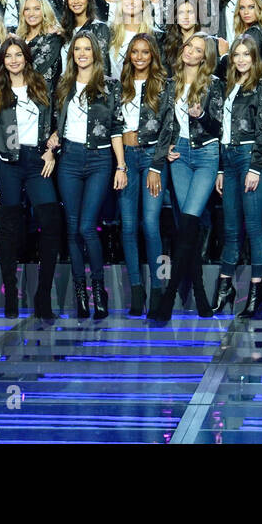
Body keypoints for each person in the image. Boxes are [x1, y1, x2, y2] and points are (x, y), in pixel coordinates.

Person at [51, 30, 127, 319]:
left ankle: (99, 289)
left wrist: (121, 165)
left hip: (99, 159)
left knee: (86, 227)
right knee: (72, 230)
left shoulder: (110, 86)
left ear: (95, 52)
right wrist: (53, 143)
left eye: (87, 49)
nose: (82, 53)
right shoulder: (64, 84)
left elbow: (117, 127)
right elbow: (58, 123)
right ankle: (80, 293)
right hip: (69, 159)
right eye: (77, 49)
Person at [0, 36, 62, 320]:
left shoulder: (41, 86)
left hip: (36, 162)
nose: (14, 60)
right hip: (8, 163)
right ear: (3, 61)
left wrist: (52, 151)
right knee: (8, 230)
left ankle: (43, 297)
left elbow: (56, 125)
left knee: (51, 222)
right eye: (9, 56)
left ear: (26, 58)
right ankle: (11, 295)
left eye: (19, 55)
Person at [148, 34, 221, 324]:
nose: (190, 51)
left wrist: (201, 114)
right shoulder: (170, 83)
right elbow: (164, 123)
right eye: (188, 46)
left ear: (205, 57)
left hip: (205, 155)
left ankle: (169, 298)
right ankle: (200, 294)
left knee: (189, 223)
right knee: (185, 229)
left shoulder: (213, 84)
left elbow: (218, 127)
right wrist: (164, 149)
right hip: (179, 156)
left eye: (198, 50)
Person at [213, 36, 262, 317]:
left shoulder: (261, 87)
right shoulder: (226, 86)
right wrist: (222, 169)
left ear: (254, 58)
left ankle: (256, 291)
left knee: (254, 228)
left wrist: (255, 167)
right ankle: (225, 289)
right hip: (229, 158)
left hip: (250, 158)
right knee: (230, 229)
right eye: (236, 54)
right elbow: (222, 130)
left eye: (246, 55)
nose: (240, 59)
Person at [116, 33, 171, 316]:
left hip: (151, 158)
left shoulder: (163, 86)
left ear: (153, 56)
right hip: (125, 158)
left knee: (150, 225)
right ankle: (136, 290)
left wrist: (155, 167)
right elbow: (114, 126)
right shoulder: (119, 86)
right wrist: (120, 164)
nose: (139, 57)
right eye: (135, 52)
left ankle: (159, 290)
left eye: (145, 52)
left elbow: (168, 128)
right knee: (127, 226)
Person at [59, 0, 112, 76]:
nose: (76, 1)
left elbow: (103, 67)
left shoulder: (99, 28)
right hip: (66, 87)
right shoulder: (64, 29)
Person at [108, 0, 156, 80]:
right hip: (113, 92)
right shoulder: (109, 32)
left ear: (143, 5)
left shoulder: (155, 35)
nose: (131, 2)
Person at [19, 0, 65, 93]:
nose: (31, 13)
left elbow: (35, 69)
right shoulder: (20, 36)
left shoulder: (53, 38)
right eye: (27, 9)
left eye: (36, 9)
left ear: (44, 11)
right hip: (18, 93)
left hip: (42, 95)